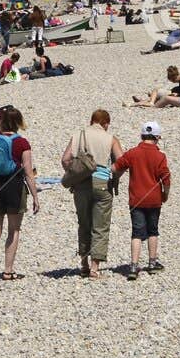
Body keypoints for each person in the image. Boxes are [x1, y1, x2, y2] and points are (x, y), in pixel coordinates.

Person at [0, 105, 40, 286]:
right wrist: (35, 196)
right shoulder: (22, 143)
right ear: (19, 122)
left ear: (2, 122)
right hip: (13, 186)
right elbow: (28, 173)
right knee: (14, 229)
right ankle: (8, 271)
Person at [59, 109, 123, 279]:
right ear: (106, 123)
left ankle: (84, 264)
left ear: (92, 120)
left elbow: (65, 159)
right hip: (102, 185)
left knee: (84, 223)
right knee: (100, 226)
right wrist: (113, 175)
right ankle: (95, 268)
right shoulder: (110, 138)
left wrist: (75, 173)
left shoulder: (78, 135)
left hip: (81, 185)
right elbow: (121, 161)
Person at [111, 121, 172, 280]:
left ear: (141, 136)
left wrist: (113, 179)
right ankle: (152, 263)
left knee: (137, 233)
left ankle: (133, 265)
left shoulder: (133, 153)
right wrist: (165, 194)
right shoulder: (160, 156)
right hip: (154, 199)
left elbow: (116, 168)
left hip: (136, 199)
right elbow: (165, 177)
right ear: (157, 137)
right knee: (153, 230)